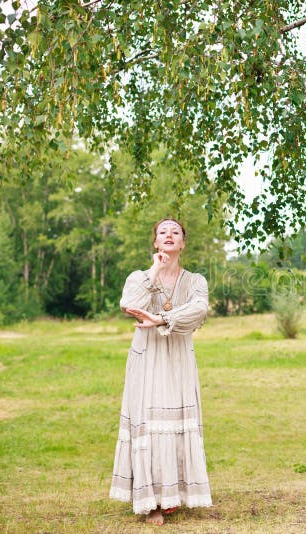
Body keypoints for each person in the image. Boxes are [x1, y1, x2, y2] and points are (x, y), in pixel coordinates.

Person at [109, 218, 212, 525]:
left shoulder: (196, 281)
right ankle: (150, 502)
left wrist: (161, 320)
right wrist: (155, 270)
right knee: (148, 421)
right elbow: (129, 303)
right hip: (147, 358)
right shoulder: (140, 276)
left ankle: (172, 496)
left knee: (176, 420)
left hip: (179, 357)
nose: (169, 235)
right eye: (162, 232)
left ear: (183, 243)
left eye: (175, 232)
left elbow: (199, 310)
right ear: (155, 243)